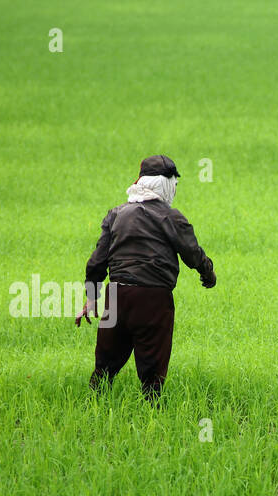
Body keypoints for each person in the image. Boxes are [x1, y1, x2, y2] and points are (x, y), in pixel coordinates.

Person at [76, 155, 216, 400]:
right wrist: (208, 273)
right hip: (153, 298)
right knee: (152, 367)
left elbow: (97, 260)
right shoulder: (171, 217)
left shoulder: (116, 214)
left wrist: (91, 298)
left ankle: (93, 407)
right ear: (166, 184)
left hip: (117, 295)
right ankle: (152, 417)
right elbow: (192, 252)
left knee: (106, 363)